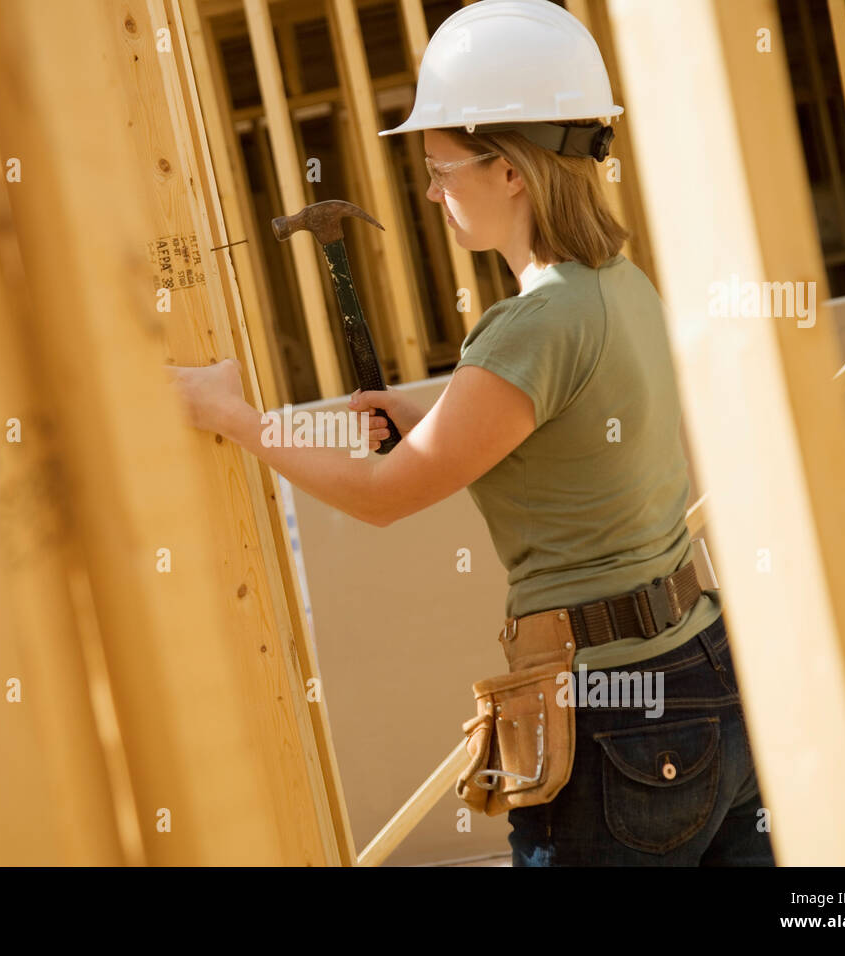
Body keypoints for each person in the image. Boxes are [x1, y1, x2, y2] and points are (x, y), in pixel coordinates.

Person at [167, 0, 774, 866]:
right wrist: (429, 420)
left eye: (441, 169)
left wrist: (231, 414)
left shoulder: (530, 324)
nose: (431, 192)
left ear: (513, 171)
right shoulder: (620, 284)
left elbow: (386, 495)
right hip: (704, 674)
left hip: (613, 718)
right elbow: (568, 438)